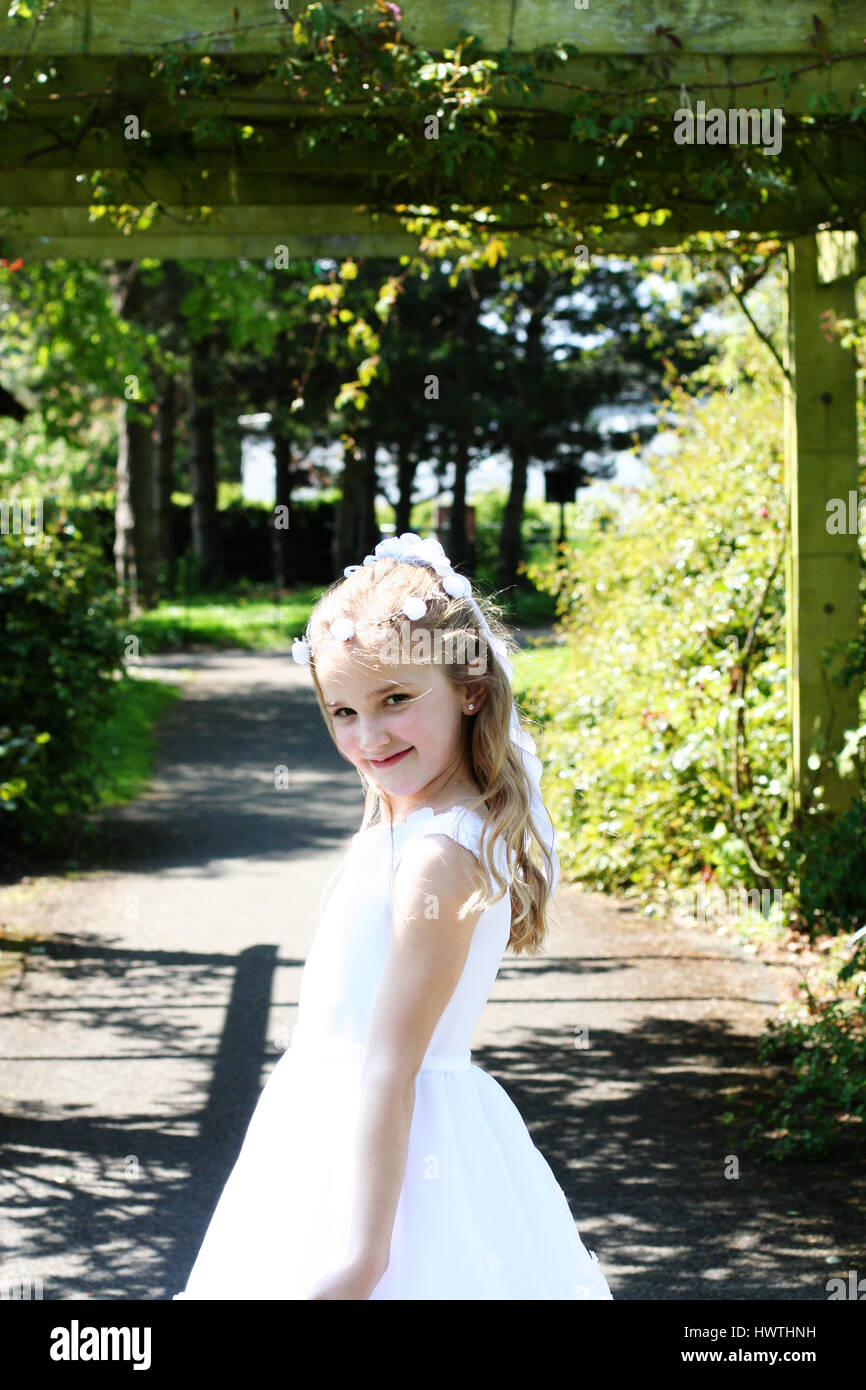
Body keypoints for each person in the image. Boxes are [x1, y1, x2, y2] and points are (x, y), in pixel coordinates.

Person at [173, 532, 613, 1301]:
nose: (367, 737)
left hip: (390, 1167)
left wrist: (362, 1258)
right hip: (328, 1131)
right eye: (342, 710)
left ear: (470, 688)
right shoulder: (413, 822)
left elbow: (391, 1065)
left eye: (396, 701)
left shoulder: (438, 859)